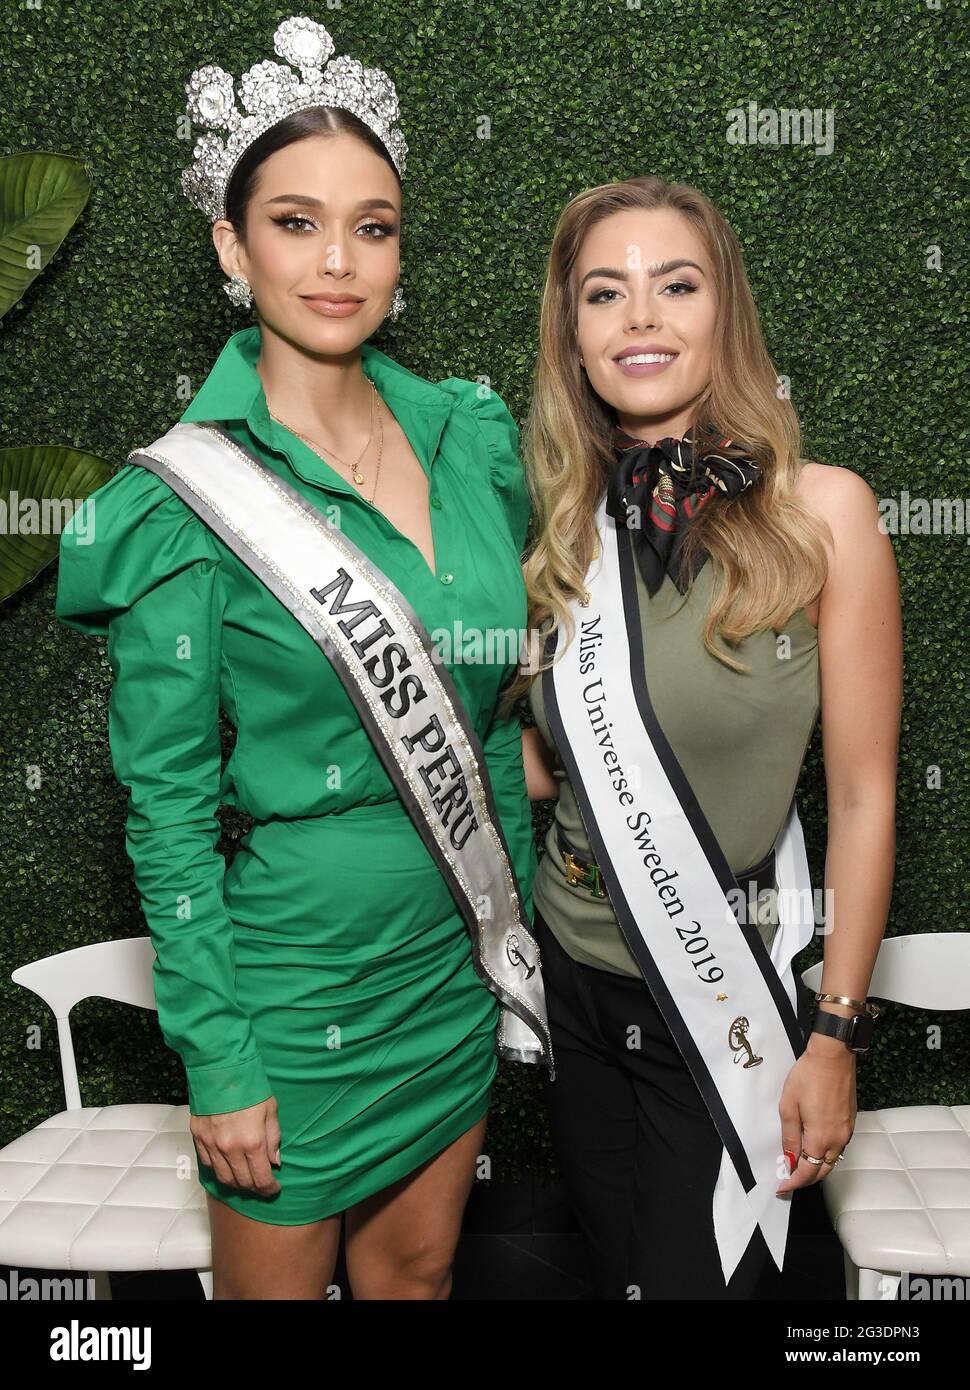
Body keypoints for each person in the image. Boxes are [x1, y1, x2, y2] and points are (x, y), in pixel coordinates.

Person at [54, 16, 551, 1301]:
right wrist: (218, 1059)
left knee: (418, 1283)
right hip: (291, 992)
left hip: (450, 960)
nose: (338, 261)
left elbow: (490, 717)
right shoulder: (183, 500)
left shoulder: (469, 434)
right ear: (230, 244)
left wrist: (510, 927)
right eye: (294, 221)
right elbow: (163, 813)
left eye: (372, 226)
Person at [509, 174, 902, 1299]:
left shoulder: (823, 512)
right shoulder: (559, 525)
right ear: (571, 333)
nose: (640, 318)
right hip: (573, 976)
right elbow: (560, 760)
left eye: (674, 285)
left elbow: (867, 797)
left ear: (721, 311)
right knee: (622, 1267)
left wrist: (835, 1036)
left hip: (720, 988)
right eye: (604, 293)